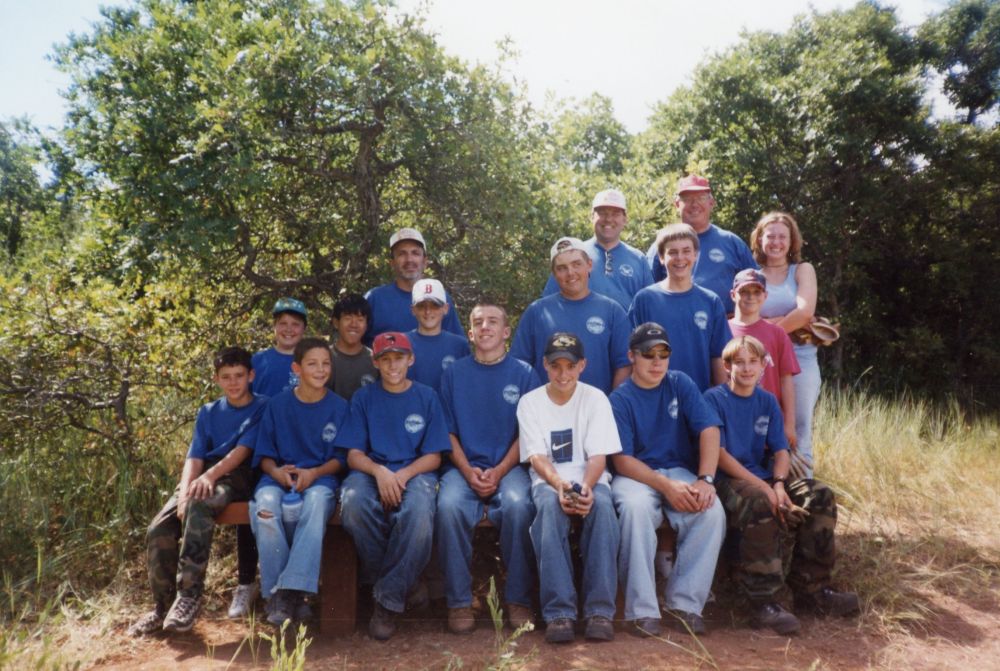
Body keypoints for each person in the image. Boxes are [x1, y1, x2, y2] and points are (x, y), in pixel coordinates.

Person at [705, 335, 858, 635]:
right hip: (730, 481)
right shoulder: (713, 399)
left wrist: (777, 485)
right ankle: (763, 603)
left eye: (753, 362)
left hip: (766, 479)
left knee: (819, 495)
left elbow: (780, 451)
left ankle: (812, 591)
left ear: (763, 366)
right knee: (761, 503)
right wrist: (765, 490)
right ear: (726, 367)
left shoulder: (768, 401)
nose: (747, 369)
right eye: (739, 362)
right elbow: (720, 456)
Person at [128, 347, 267, 636]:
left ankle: (189, 596)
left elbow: (242, 452)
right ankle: (162, 607)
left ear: (251, 375)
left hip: (236, 475)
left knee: (200, 504)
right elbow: (195, 455)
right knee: (158, 527)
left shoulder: (261, 407)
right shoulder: (208, 411)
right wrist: (185, 491)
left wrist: (207, 479)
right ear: (216, 379)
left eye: (239, 376)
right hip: (203, 474)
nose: (233, 382)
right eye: (226, 377)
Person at [609, 323, 726, 637]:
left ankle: (684, 605)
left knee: (711, 511)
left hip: (679, 470)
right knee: (634, 509)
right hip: (637, 474)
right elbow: (621, 460)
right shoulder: (620, 399)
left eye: (663, 353)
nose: (657, 361)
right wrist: (664, 486)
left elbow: (709, 429)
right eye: (648, 354)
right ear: (632, 356)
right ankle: (641, 611)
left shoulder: (680, 383)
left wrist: (705, 479)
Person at [336, 332, 450, 641]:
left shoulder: (426, 396)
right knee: (354, 502)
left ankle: (386, 600)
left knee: (419, 511)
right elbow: (354, 454)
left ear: (410, 359)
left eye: (399, 358)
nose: (392, 365)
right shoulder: (364, 398)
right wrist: (381, 472)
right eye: (385, 359)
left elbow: (434, 456)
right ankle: (407, 585)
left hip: (415, 472)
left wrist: (402, 476)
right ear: (376, 363)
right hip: (373, 471)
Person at [436, 302, 541, 634]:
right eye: (478, 322)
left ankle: (518, 599)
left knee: (519, 505)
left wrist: (499, 470)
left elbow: (530, 433)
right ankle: (458, 602)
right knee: (449, 506)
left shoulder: (524, 373)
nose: (485, 327)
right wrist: (468, 472)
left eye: (493, 321)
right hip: (463, 466)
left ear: (506, 332)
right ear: (469, 333)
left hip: (509, 466)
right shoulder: (453, 374)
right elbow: (447, 432)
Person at [516, 332, 622, 644]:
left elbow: (599, 455)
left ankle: (599, 611)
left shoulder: (596, 398)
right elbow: (536, 456)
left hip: (591, 479)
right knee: (548, 509)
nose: (563, 374)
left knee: (602, 508)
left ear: (582, 366)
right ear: (545, 365)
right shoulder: (530, 402)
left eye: (570, 366)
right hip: (550, 482)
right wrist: (560, 485)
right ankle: (559, 612)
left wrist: (586, 488)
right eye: (555, 366)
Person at [250, 337, 349, 626]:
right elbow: (265, 457)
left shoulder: (339, 407)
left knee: (315, 504)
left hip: (320, 480)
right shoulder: (277, 405)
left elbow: (341, 458)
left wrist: (314, 473)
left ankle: (289, 591)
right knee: (265, 508)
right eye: (312, 364)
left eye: (326, 364)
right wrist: (279, 473)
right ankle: (282, 595)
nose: (320, 370)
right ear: (297, 368)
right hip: (278, 479)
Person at [229, 296, 309, 619]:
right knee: (253, 506)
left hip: (302, 451)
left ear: (303, 329)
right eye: (282, 324)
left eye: (295, 324)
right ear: (274, 327)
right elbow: (241, 402)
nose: (288, 330)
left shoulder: (312, 360)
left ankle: (296, 592)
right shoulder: (259, 362)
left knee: (298, 513)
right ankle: (247, 582)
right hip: (260, 449)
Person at [511, 237, 631, 394]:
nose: (570, 273)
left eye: (576, 264)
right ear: (554, 274)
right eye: (561, 268)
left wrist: (611, 408)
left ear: (589, 265)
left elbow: (624, 366)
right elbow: (520, 365)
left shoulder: (612, 311)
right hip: (546, 413)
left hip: (595, 414)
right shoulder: (537, 312)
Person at [750, 211, 820, 476]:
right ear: (760, 239)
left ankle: (804, 489)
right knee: (762, 423)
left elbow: (804, 312)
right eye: (770, 236)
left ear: (792, 242)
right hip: (759, 360)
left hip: (799, 356)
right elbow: (745, 316)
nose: (776, 242)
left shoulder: (802, 270)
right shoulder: (751, 275)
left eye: (783, 236)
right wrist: (783, 324)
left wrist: (767, 330)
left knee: (799, 427)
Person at [629, 224, 731, 392]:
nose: (680, 257)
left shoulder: (710, 301)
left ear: (696, 255)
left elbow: (718, 356)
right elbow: (632, 354)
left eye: (686, 251)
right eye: (672, 252)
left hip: (699, 397)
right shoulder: (645, 299)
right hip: (653, 397)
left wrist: (722, 402)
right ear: (661, 257)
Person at [646, 174, 757, 315]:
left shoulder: (731, 242)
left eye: (701, 198)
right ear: (677, 205)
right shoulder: (661, 245)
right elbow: (648, 290)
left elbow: (757, 286)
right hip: (675, 324)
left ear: (712, 203)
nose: (694, 204)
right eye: (687, 199)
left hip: (724, 326)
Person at [541, 188, 654, 308]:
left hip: (626, 327)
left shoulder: (638, 258)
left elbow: (649, 306)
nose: (608, 219)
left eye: (615, 214)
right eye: (602, 213)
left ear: (625, 219)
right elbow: (548, 304)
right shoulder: (573, 254)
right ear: (592, 216)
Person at [727, 268, 800, 448]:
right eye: (744, 291)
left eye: (756, 291)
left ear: (765, 295)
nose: (750, 297)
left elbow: (786, 379)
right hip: (731, 416)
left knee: (775, 470)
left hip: (768, 417)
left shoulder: (777, 333)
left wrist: (789, 424)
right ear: (733, 294)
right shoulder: (722, 329)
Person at [364, 228, 463, 343]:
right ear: (392, 262)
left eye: (415, 253)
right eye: (402, 254)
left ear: (425, 261)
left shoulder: (440, 298)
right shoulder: (374, 299)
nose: (409, 259)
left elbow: (457, 347)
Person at [406, 278, 471, 393]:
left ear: (446, 308)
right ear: (413, 310)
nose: (428, 312)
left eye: (434, 305)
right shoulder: (402, 343)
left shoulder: (459, 345)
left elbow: (466, 386)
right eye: (421, 306)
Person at [328, 293, 378, 400]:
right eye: (347, 318)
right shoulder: (324, 358)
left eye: (360, 320)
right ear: (336, 323)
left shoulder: (375, 360)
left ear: (366, 325)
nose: (354, 324)